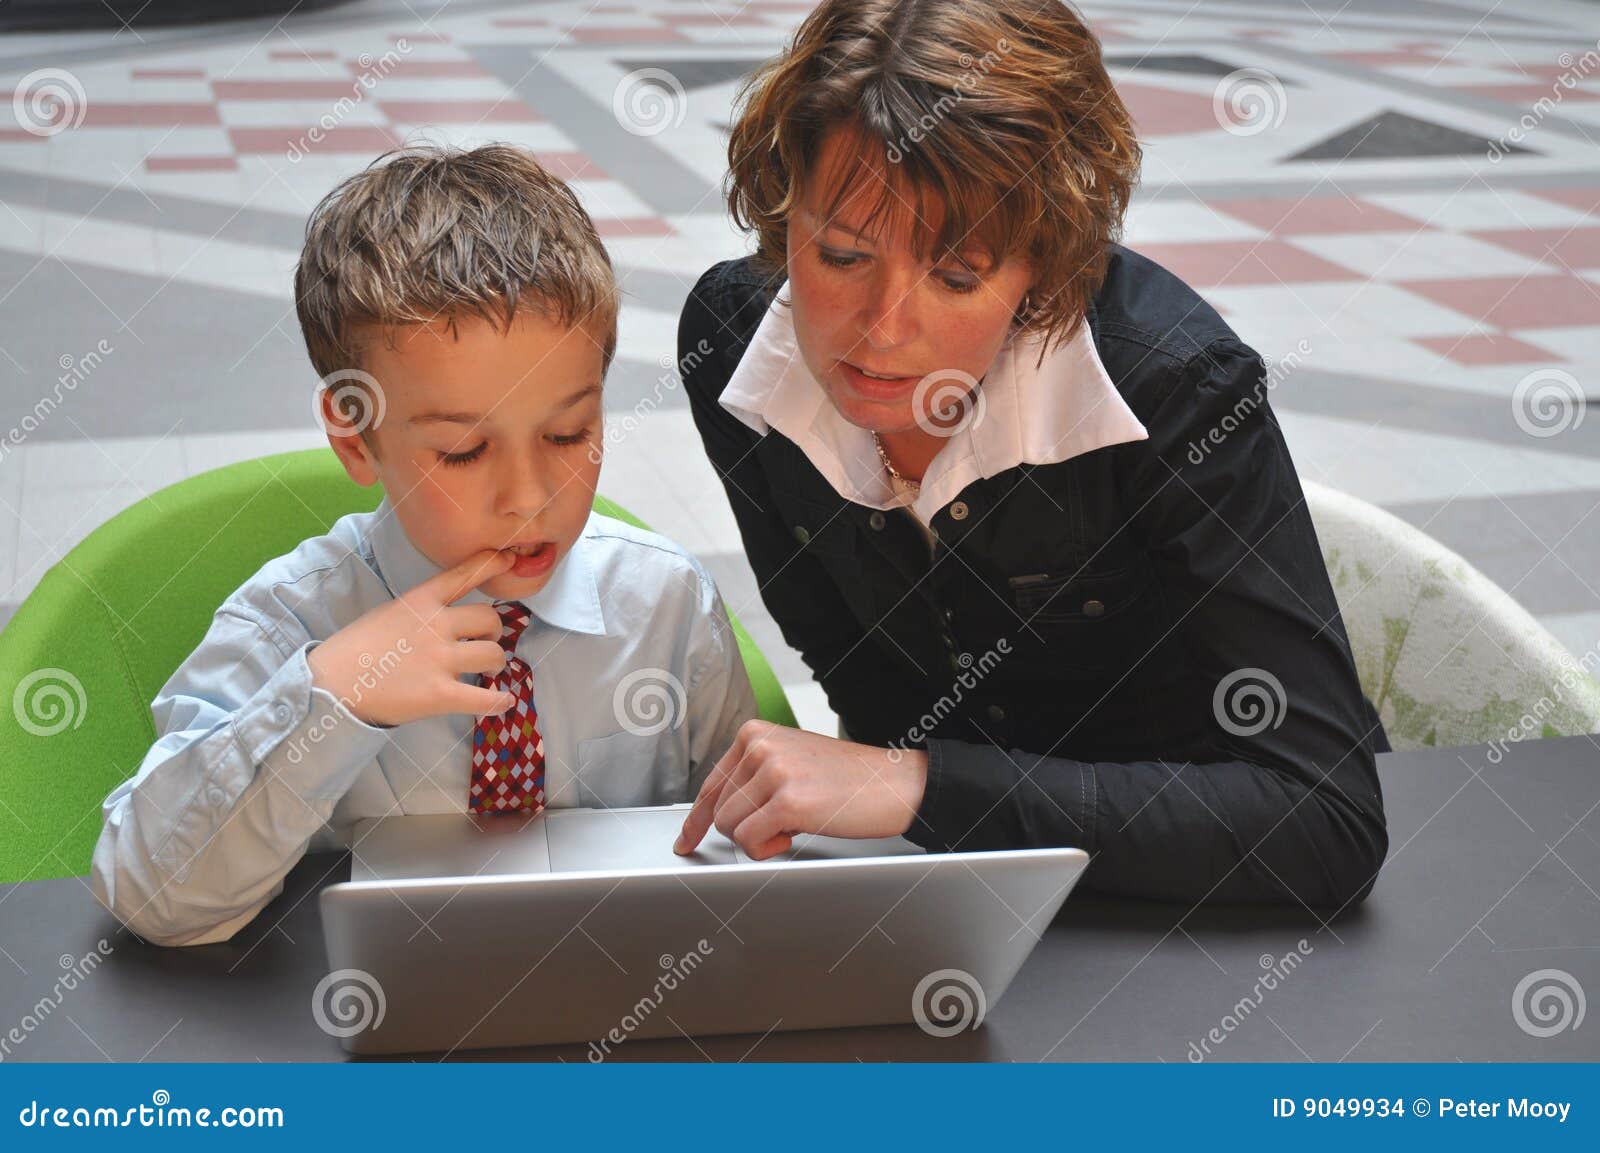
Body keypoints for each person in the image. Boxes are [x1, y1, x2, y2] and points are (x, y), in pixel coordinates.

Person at [673, 0, 1389, 909]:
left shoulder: (1175, 392)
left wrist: (922, 787)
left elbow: (1326, 819)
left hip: (1215, 924)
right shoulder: (735, 352)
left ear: (1043, 266)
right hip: (952, 905)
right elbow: (856, 672)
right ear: (785, 219)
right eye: (844, 254)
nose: (883, 331)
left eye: (957, 275)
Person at [90, 145, 757, 947]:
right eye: (464, 452)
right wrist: (333, 698)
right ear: (356, 440)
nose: (528, 495)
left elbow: (741, 860)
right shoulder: (288, 626)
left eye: (568, 432)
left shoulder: (667, 607)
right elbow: (154, 896)